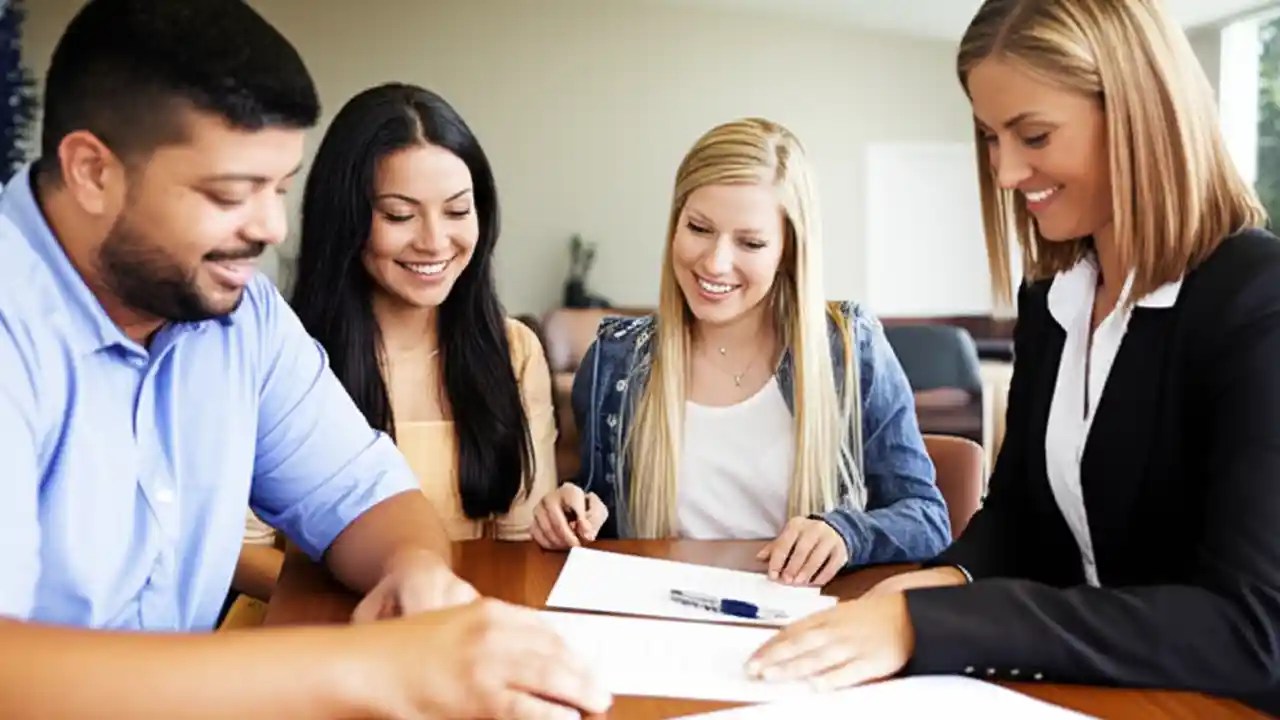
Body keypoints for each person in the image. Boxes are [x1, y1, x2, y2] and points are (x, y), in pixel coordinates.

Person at [0, 2, 608, 718]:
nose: (270, 228)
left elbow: (367, 496)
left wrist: (412, 572)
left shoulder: (242, 317)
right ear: (93, 172)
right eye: (231, 194)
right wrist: (372, 669)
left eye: (280, 189)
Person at [746, 0, 1280, 713]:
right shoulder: (1053, 299)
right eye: (990, 137)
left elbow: (1249, 633)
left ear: (1139, 113)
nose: (1003, 172)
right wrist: (946, 580)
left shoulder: (1258, 304)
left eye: (1032, 135)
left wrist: (935, 623)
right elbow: (1024, 515)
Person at [532, 118, 952, 586]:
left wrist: (846, 534)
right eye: (699, 228)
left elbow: (927, 519)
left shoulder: (851, 348)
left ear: (788, 251)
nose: (714, 262)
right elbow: (601, 520)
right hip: (661, 624)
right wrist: (570, 513)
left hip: (804, 623)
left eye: (750, 242)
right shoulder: (616, 361)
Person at [288, 82, 558, 543]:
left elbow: (520, 544)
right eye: (398, 216)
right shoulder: (287, 357)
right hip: (316, 613)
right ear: (345, 218)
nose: (434, 242)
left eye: (457, 211)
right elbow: (239, 549)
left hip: (461, 610)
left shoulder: (513, 350)